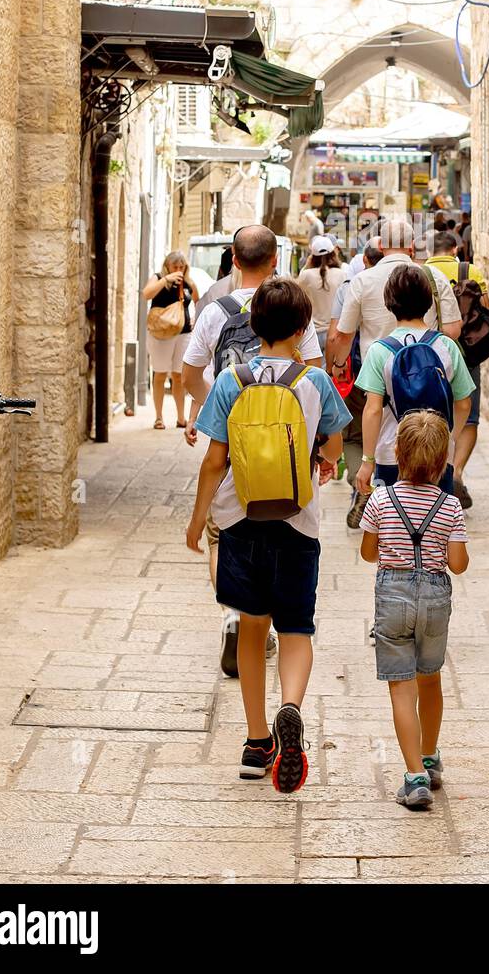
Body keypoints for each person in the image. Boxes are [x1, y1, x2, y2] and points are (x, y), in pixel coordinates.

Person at [186, 277, 350, 793]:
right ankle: (291, 707)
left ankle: (258, 742)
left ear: (252, 325)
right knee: (297, 628)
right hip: (298, 523)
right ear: (303, 330)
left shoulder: (231, 381)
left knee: (253, 629)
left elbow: (214, 462)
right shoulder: (314, 381)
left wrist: (196, 522)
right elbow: (335, 446)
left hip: (240, 520)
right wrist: (323, 463)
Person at [181, 225, 322, 675]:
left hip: (232, 442)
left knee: (224, 532)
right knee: (284, 529)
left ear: (233, 260)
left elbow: (189, 375)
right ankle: (274, 621)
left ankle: (233, 615)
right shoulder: (294, 307)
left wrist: (212, 411)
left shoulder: (213, 312)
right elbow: (314, 374)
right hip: (285, 449)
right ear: (275, 259)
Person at [359, 410, 469, 810]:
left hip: (393, 596)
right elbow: (457, 563)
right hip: (435, 597)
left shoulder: (381, 500)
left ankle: (414, 776)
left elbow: (369, 552)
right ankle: (429, 754)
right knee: (430, 678)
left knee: (400, 687)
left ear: (397, 454)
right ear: (442, 463)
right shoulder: (450, 506)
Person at [354, 264, 473, 496]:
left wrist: (368, 460)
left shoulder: (379, 351)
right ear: (429, 301)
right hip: (438, 455)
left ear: (389, 302)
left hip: (392, 453)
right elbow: (464, 403)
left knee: (391, 522)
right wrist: (447, 439)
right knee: (436, 520)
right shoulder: (446, 346)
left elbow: (373, 410)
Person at [326, 217, 461, 377]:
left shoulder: (361, 281)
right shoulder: (434, 276)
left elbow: (345, 335)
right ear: (411, 245)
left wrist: (339, 364)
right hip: (426, 373)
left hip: (377, 375)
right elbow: (452, 331)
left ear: (381, 245)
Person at [426, 230, 489, 509]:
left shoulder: (421, 272)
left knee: (433, 414)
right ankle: (457, 470)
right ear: (456, 248)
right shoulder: (471, 270)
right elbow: (488, 310)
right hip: (466, 355)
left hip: (431, 354)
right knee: (470, 416)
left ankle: (433, 474)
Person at [326, 243, 382, 529]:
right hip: (391, 373)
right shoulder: (402, 281)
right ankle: (388, 498)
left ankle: (360, 486)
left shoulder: (350, 286)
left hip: (355, 375)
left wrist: (333, 368)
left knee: (351, 435)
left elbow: (337, 336)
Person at [142, 252, 199, 430]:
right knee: (160, 374)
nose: (179, 270)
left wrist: (196, 319)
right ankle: (159, 417)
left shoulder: (188, 282)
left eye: (182, 267)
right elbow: (146, 294)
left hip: (183, 334)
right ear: (167, 266)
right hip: (161, 334)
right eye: (175, 267)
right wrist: (166, 279)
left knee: (178, 376)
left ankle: (181, 418)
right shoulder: (158, 278)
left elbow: (198, 300)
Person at [297, 236, 346, 354]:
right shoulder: (341, 274)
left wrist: (307, 265)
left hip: (311, 333)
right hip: (335, 332)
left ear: (312, 256)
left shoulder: (306, 275)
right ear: (333, 253)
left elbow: (297, 296)